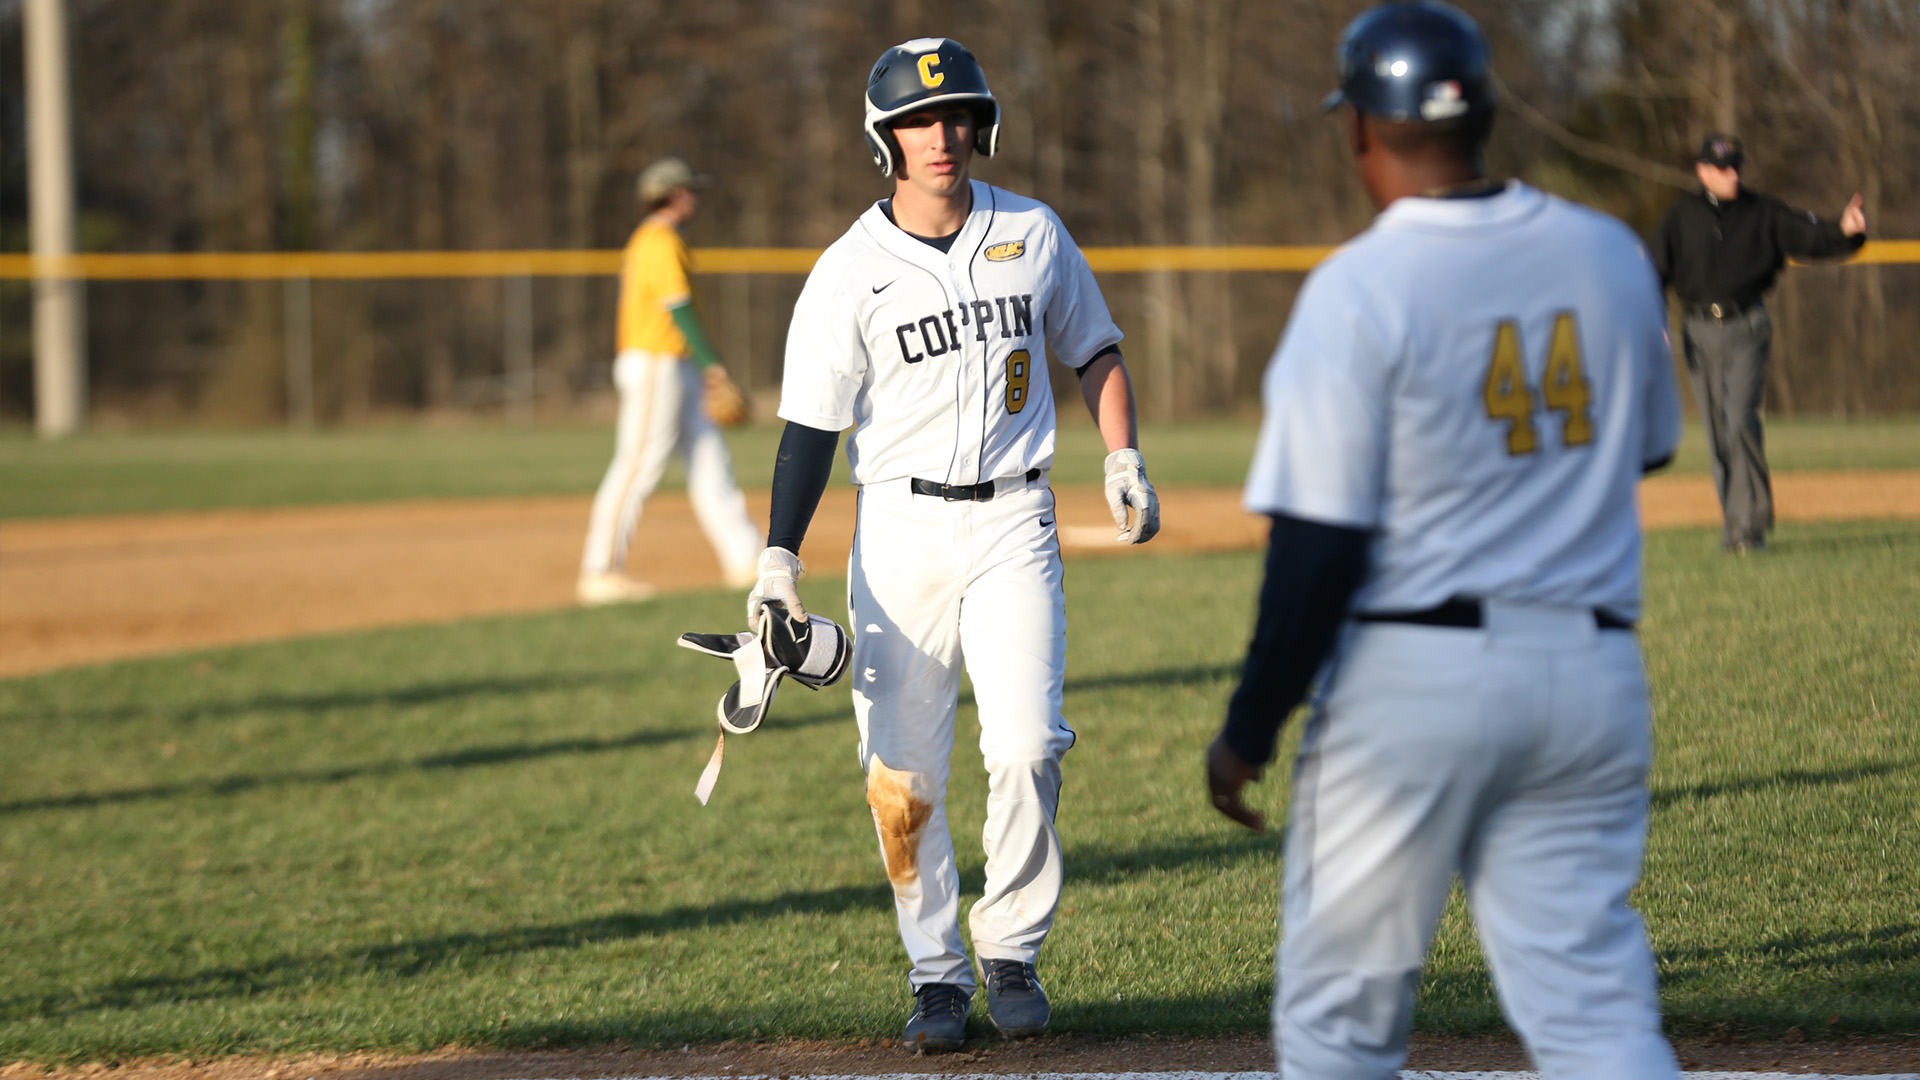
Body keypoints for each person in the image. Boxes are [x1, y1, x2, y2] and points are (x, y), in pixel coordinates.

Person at [1204, 4, 1684, 1078]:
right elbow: (1644, 448)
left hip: (1413, 682)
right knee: (1596, 1015)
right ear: (1489, 115)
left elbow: (1316, 550)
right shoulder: (1608, 254)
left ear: (1361, 131)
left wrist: (1248, 729)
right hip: (1593, 671)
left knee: (1342, 1027)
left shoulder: (1360, 289)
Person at [748, 37, 1159, 1053]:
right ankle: (936, 974)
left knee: (1027, 745)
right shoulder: (849, 270)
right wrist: (777, 563)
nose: (942, 134)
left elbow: (1094, 345)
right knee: (901, 773)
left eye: (958, 114)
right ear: (884, 139)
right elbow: (809, 429)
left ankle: (1010, 945)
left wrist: (1121, 456)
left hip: (1016, 517)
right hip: (900, 530)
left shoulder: (1032, 230)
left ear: (983, 123)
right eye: (919, 121)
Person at [1654, 135, 1868, 552]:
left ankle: (1750, 525)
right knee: (1718, 433)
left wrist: (1844, 231)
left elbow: (1811, 237)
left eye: (1735, 167)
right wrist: (1651, 317)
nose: (1731, 175)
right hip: (1698, 331)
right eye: (1721, 168)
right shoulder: (1681, 217)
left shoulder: (1762, 212)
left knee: (1738, 419)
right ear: (1702, 172)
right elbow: (1654, 270)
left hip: (1746, 327)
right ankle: (1734, 525)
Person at [577, 157, 762, 606]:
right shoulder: (658, 239)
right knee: (638, 464)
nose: (696, 197)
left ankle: (747, 559)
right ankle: (600, 571)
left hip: (674, 364)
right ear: (676, 194)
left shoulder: (658, 239)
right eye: (691, 190)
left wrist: (699, 366)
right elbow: (677, 308)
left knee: (709, 460)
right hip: (656, 362)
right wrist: (713, 364)